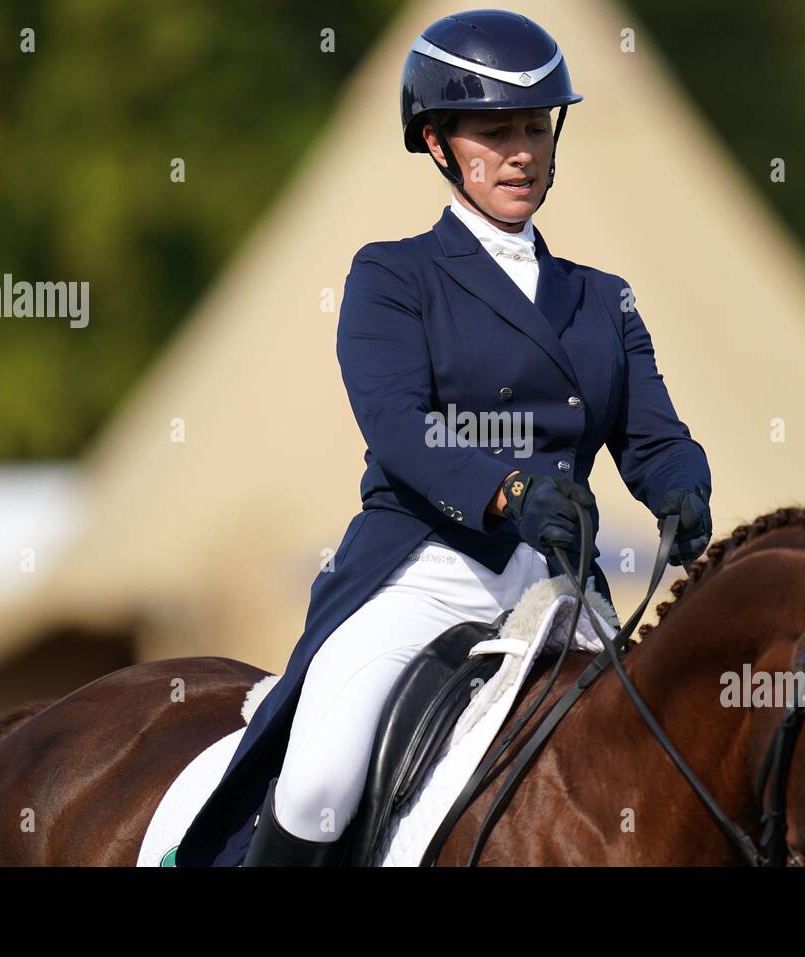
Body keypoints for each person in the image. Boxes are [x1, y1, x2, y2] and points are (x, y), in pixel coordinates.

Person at [175, 8, 713, 868]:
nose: (522, 151)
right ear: (438, 143)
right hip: (425, 569)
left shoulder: (601, 296)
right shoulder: (394, 276)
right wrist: (509, 491)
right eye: (494, 132)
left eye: (535, 127)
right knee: (318, 779)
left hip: (561, 585)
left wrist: (686, 483)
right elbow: (400, 427)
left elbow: (652, 435)